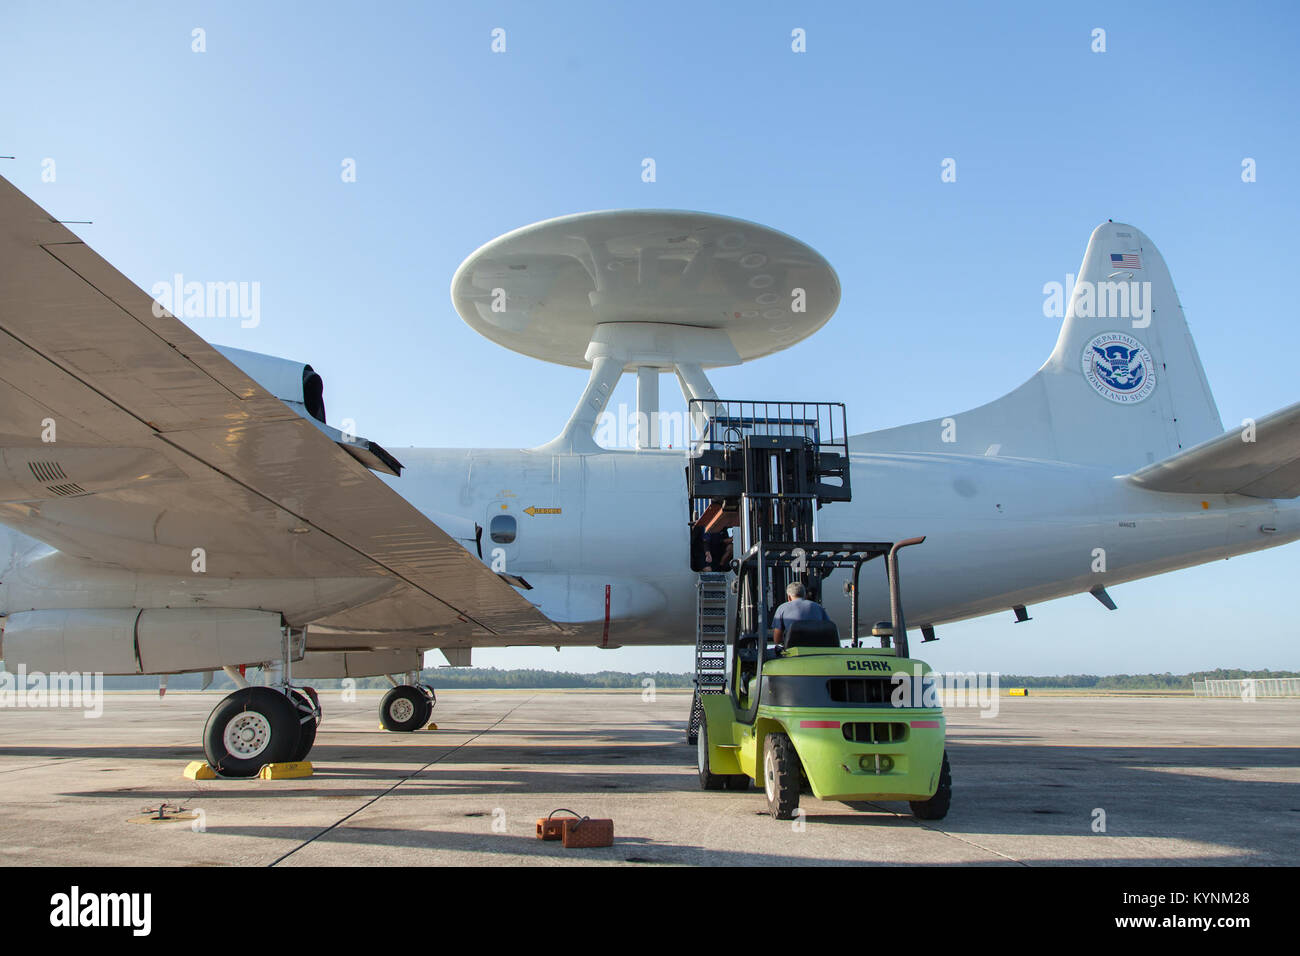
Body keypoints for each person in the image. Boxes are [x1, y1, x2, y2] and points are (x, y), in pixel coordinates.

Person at [770, 581, 828, 645]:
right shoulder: (818, 607)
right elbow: (828, 628)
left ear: (789, 597)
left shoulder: (782, 608)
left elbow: (777, 638)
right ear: (805, 595)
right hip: (816, 647)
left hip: (793, 649)